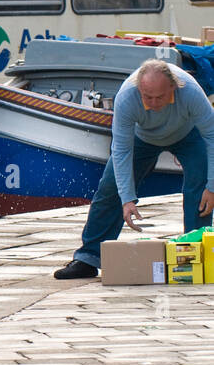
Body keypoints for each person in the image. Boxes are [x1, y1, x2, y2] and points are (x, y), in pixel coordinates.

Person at [54, 59, 214, 279]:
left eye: (160, 97)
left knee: (200, 190)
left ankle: (194, 259)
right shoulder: (127, 97)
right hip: (143, 138)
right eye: (148, 97)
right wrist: (127, 198)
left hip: (188, 134)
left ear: (174, 87)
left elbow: (212, 137)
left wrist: (212, 187)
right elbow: (120, 150)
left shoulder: (191, 92)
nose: (155, 103)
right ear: (139, 89)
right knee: (109, 188)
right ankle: (88, 257)